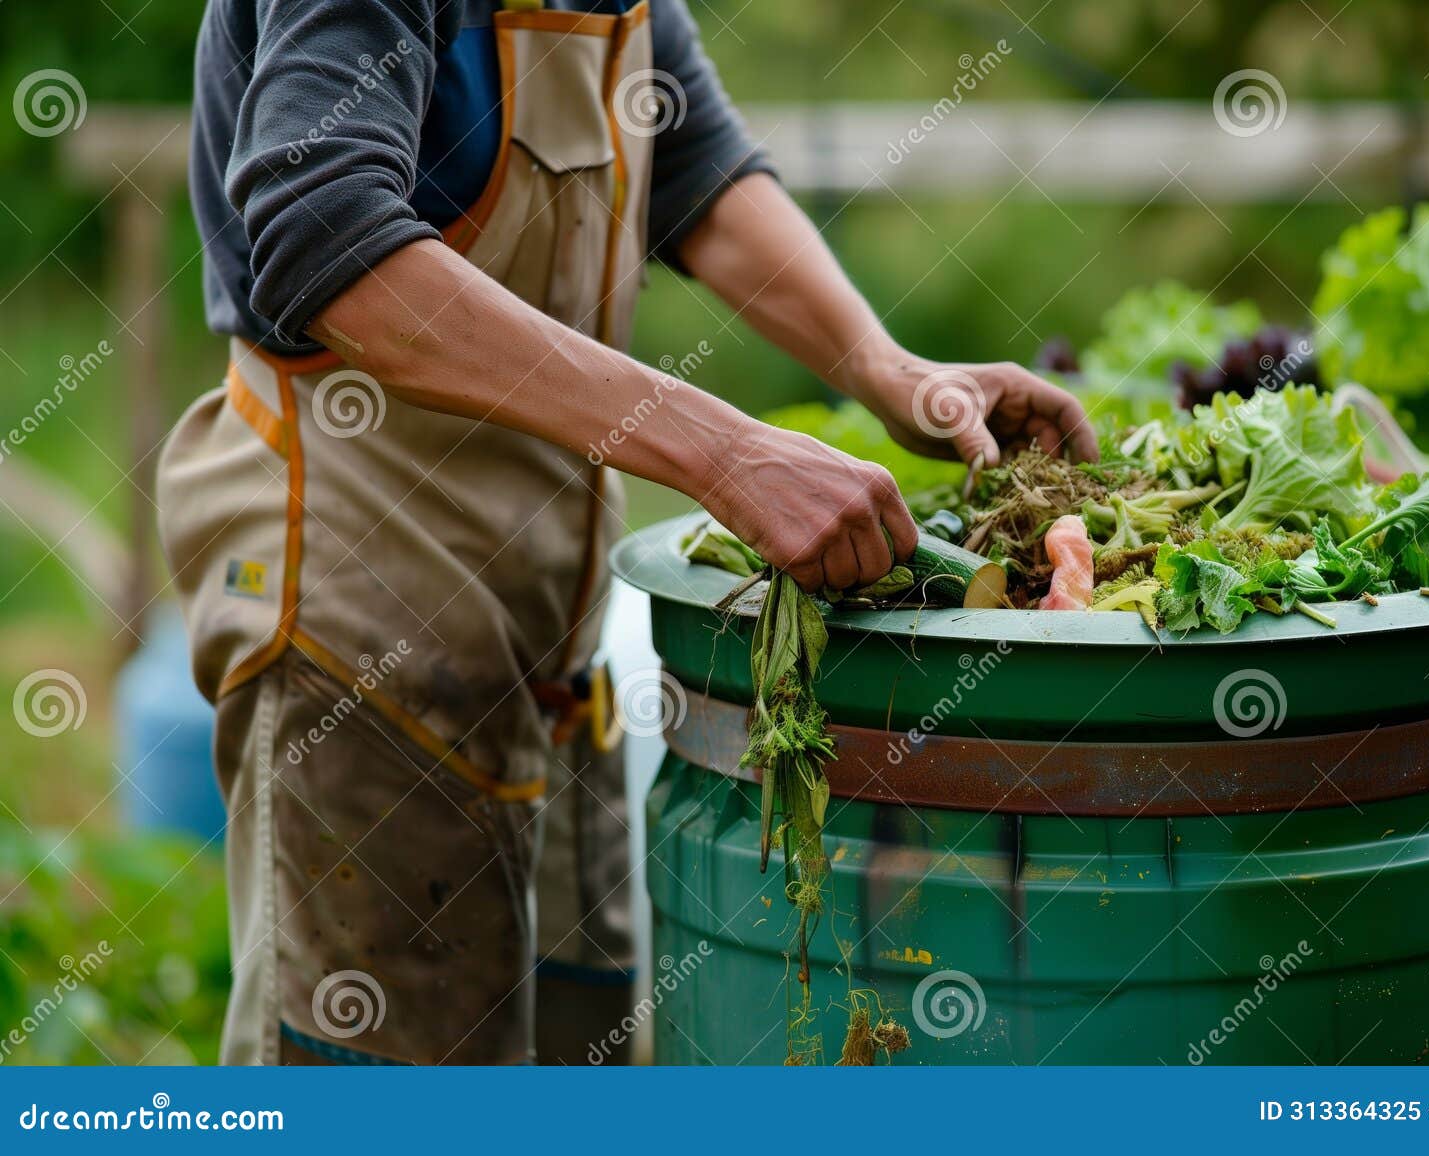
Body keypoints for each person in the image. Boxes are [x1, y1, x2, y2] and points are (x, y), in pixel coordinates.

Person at [159, 0, 1095, 1066]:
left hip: (550, 628)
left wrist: (893, 373)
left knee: (582, 1044)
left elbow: (697, 167)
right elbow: (321, 231)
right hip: (365, 609)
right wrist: (725, 450)